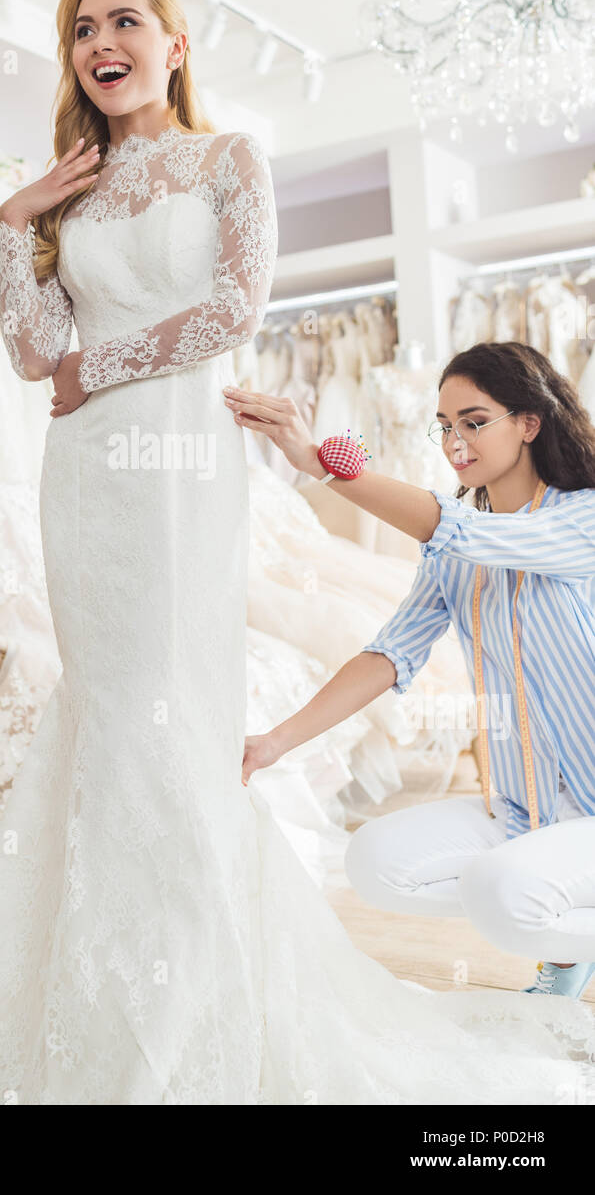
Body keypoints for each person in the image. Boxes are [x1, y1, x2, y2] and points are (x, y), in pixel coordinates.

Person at [0, 0, 595, 1105]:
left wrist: (98, 367)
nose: (101, 41)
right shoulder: (68, 192)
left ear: (174, 46)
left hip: (182, 464)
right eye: (82, 28)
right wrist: (14, 220)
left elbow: (234, 309)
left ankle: (190, 1002)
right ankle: (98, 1003)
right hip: (85, 477)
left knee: (168, 718)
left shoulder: (230, 159)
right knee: (106, 718)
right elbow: (32, 355)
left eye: (125, 20)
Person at [226, 339, 595, 1002]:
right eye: (444, 426)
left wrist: (320, 465)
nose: (455, 443)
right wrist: (275, 742)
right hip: (525, 805)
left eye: (473, 423)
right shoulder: (454, 552)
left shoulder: (582, 520)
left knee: (500, 892)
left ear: (528, 424)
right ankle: (564, 929)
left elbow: (464, 533)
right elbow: (389, 654)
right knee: (375, 862)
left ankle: (561, 942)